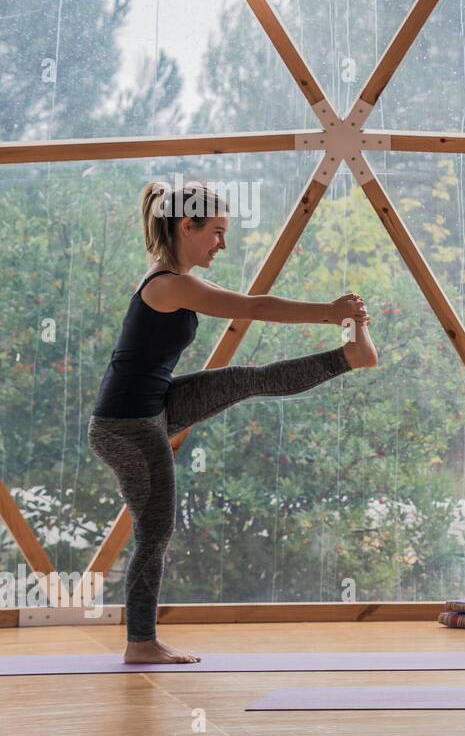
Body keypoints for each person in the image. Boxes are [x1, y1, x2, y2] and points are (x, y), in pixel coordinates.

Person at [89, 180, 379, 664]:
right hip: (127, 426)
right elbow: (254, 307)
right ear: (187, 225)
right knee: (154, 532)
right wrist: (329, 312)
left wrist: (333, 319)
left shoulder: (171, 278)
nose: (222, 243)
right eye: (217, 232)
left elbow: (249, 309)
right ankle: (140, 642)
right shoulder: (167, 284)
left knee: (245, 379)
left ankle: (351, 356)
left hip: (156, 403)